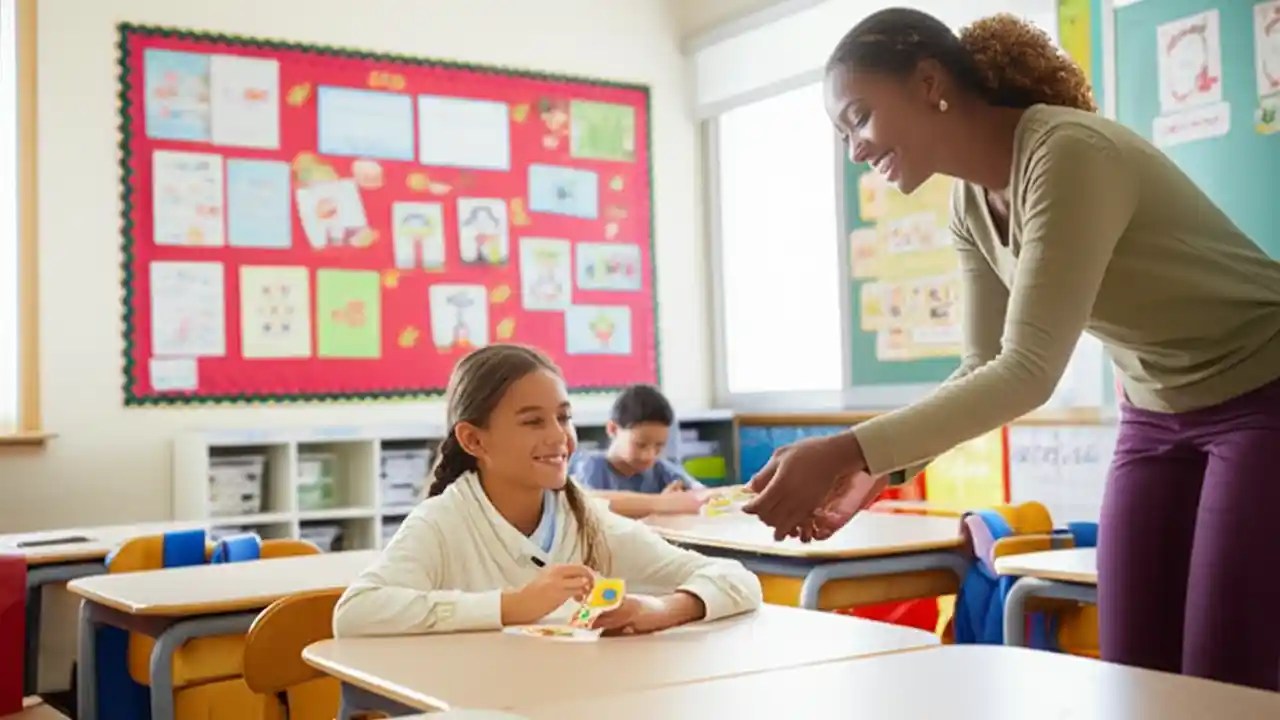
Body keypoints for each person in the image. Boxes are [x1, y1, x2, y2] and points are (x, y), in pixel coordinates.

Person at [743, 8, 1280, 691]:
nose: (855, 150)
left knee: (1224, 676)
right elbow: (982, 365)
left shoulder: (1069, 153)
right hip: (1154, 413)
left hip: (1263, 391)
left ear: (929, 83)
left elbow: (1028, 372)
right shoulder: (968, 206)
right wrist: (884, 467)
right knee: (1133, 672)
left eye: (859, 118)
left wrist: (847, 450)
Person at [333, 344, 761, 638]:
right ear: (475, 440)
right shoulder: (442, 522)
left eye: (564, 417)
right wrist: (512, 606)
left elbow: (737, 580)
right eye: (533, 421)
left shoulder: (585, 519)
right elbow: (355, 613)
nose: (559, 436)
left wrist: (661, 609)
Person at [572, 384, 709, 519]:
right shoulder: (591, 467)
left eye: (659, 446)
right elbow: (589, 505)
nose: (649, 456)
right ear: (613, 429)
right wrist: (663, 503)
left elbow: (702, 494)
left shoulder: (659, 469)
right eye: (641, 445)